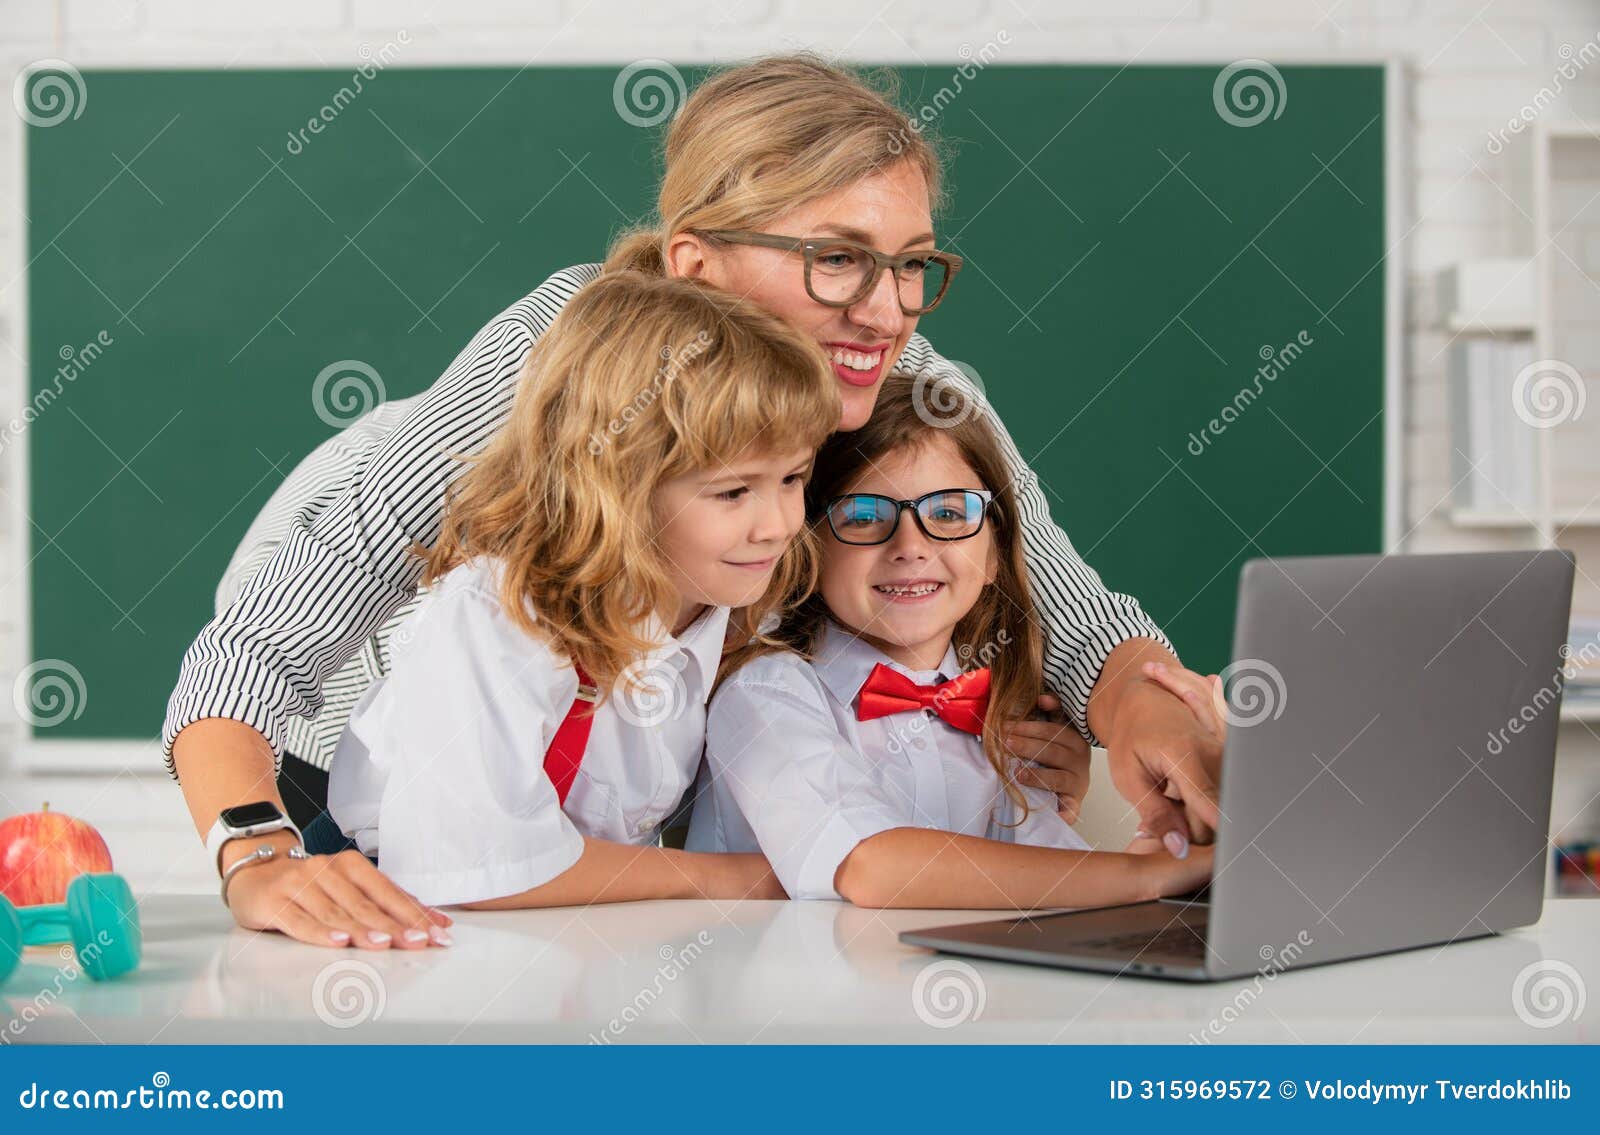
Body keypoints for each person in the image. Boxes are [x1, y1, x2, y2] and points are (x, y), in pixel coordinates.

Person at [166, 53, 1220, 948]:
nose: (888, 307)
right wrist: (255, 847)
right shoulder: (556, 367)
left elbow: (1064, 600)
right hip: (388, 813)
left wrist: (1137, 714)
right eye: (837, 258)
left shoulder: (899, 375)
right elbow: (262, 641)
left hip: (629, 814)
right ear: (695, 262)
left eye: (910, 264)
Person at [308, 272, 833, 921]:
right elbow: (477, 870)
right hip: (413, 910)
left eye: (792, 478)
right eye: (733, 492)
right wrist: (742, 877)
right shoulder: (501, 613)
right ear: (618, 484)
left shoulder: (732, 603)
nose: (779, 523)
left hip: (581, 918)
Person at [687, 375, 1213, 906]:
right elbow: (871, 865)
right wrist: (1141, 878)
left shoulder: (1001, 706)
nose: (912, 546)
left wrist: (1170, 856)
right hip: (783, 985)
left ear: (995, 553)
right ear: (809, 546)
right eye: (865, 516)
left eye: (947, 513)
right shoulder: (764, 694)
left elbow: (1047, 871)